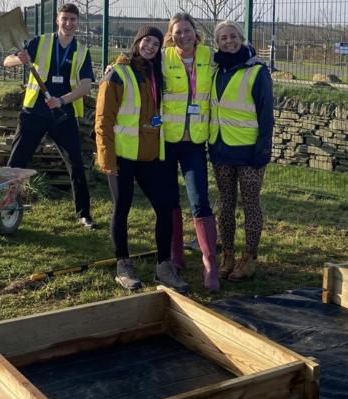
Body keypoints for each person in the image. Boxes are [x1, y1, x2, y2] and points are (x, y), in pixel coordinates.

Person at [95, 25, 189, 293]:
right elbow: (103, 120)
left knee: (165, 206)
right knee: (122, 207)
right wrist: (107, 159)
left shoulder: (156, 75)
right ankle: (123, 264)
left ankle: (163, 265)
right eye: (147, 41)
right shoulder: (117, 74)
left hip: (149, 156)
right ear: (137, 42)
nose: (150, 47)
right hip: (122, 157)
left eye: (156, 44)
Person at [3, 3, 96, 230]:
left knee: (75, 163)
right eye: (65, 18)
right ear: (57, 20)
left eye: (73, 19)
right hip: (34, 112)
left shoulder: (81, 51)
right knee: (15, 163)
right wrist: (20, 59)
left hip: (63, 115)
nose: (68, 23)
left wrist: (62, 100)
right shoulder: (40, 42)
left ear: (77, 22)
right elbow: (7, 62)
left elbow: (86, 86)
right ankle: (2, 208)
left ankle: (84, 214)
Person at [209, 21, 273, 281]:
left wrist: (263, 149)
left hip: (248, 151)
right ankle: (227, 255)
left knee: (250, 203)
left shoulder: (257, 70)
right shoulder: (215, 70)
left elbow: (266, 112)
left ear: (242, 38)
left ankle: (249, 257)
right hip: (221, 148)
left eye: (233, 36)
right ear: (217, 42)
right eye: (223, 37)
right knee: (225, 205)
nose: (229, 41)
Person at [162, 13, 219, 292]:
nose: (182, 36)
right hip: (168, 140)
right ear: (170, 36)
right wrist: (117, 64)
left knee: (199, 199)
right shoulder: (163, 58)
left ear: (195, 33)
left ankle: (211, 264)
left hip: (195, 141)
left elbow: (234, 58)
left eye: (187, 30)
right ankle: (176, 256)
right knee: (170, 198)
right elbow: (137, 64)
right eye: (177, 32)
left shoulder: (209, 56)